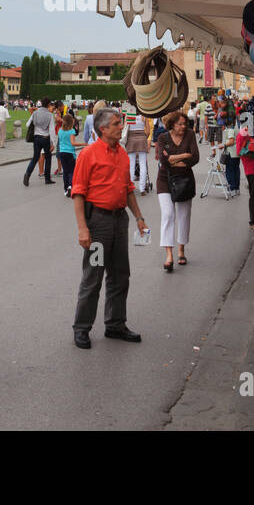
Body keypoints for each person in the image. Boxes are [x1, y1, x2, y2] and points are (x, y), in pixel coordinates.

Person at [70, 106, 148, 349]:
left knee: (120, 275)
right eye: (116, 123)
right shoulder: (88, 155)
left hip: (119, 221)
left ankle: (115, 324)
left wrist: (138, 216)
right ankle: (82, 328)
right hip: (98, 223)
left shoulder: (122, 153)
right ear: (103, 129)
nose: (121, 126)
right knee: (93, 276)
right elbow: (78, 194)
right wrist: (83, 228)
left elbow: (128, 188)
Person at [155, 110, 198, 271]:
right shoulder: (163, 138)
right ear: (172, 125)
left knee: (184, 215)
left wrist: (174, 158)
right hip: (165, 180)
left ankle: (181, 249)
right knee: (168, 214)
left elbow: (194, 157)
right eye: (179, 124)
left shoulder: (190, 135)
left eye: (184, 123)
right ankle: (169, 254)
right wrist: (183, 156)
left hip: (185, 181)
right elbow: (163, 161)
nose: (183, 126)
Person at [23, 99, 55, 186]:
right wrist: (53, 143)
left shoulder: (35, 113)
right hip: (45, 138)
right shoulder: (50, 115)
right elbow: (52, 130)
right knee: (48, 158)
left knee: (35, 158)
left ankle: (27, 174)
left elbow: (27, 124)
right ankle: (47, 179)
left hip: (36, 137)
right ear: (48, 105)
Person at [123, 106, 152, 194]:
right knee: (143, 164)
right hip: (142, 139)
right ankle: (142, 188)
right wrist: (144, 137)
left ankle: (131, 187)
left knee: (131, 164)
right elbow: (148, 131)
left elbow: (125, 129)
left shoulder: (129, 115)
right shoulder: (144, 116)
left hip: (131, 139)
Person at [56, 114, 80, 196]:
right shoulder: (72, 131)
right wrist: (84, 143)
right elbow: (73, 143)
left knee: (65, 172)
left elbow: (60, 142)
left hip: (62, 153)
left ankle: (66, 189)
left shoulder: (60, 131)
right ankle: (70, 186)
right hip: (70, 153)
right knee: (72, 171)